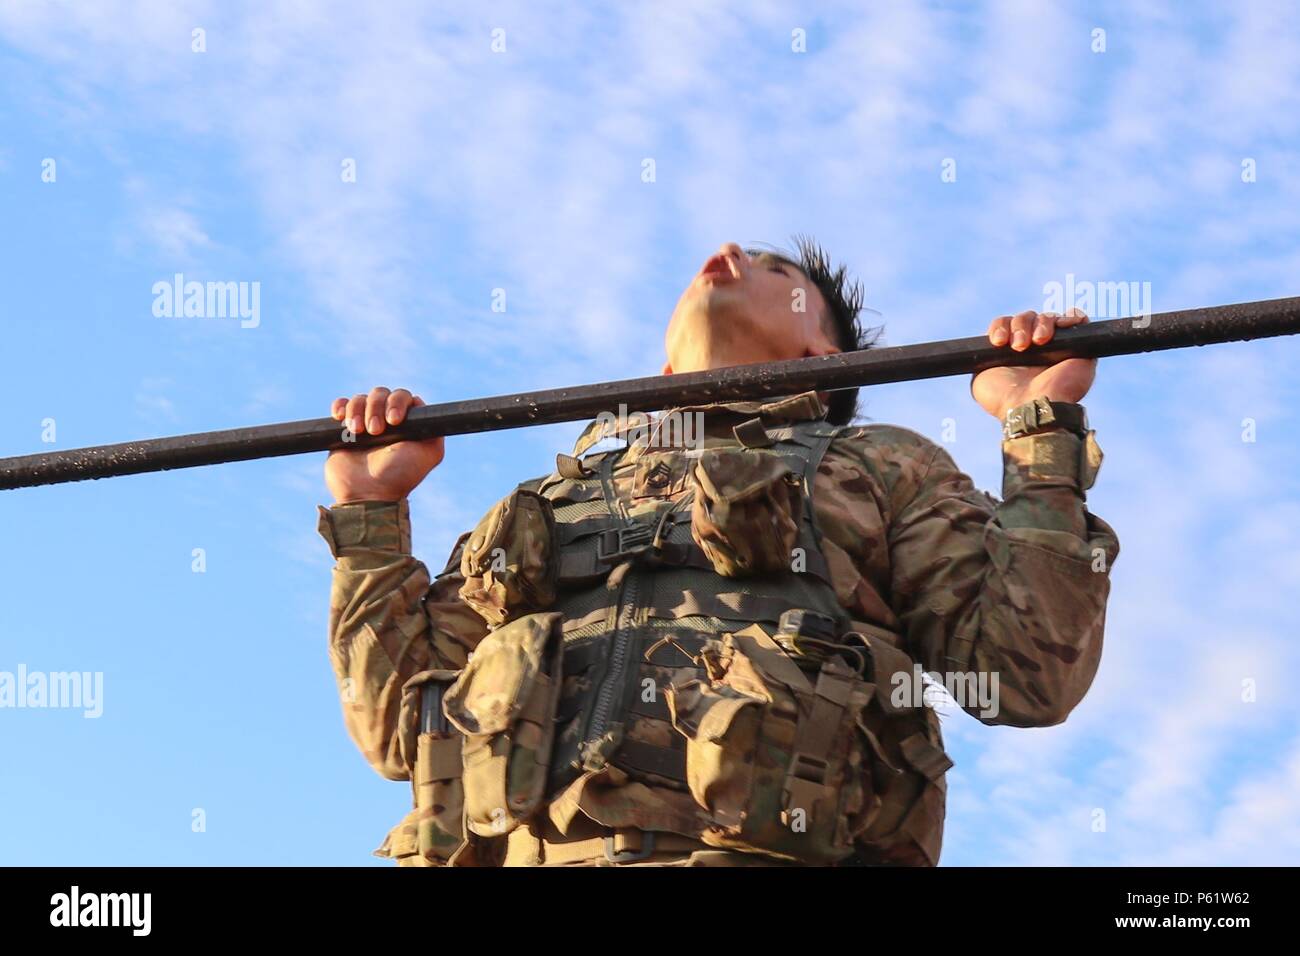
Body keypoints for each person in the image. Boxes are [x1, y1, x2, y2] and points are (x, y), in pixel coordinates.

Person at [317, 237, 1118, 866]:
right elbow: (396, 730)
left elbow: (1024, 674)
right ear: (663, 367)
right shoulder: (542, 506)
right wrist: (369, 511)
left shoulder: (876, 465)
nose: (726, 255)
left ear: (822, 357)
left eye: (772, 269)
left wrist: (1038, 425)